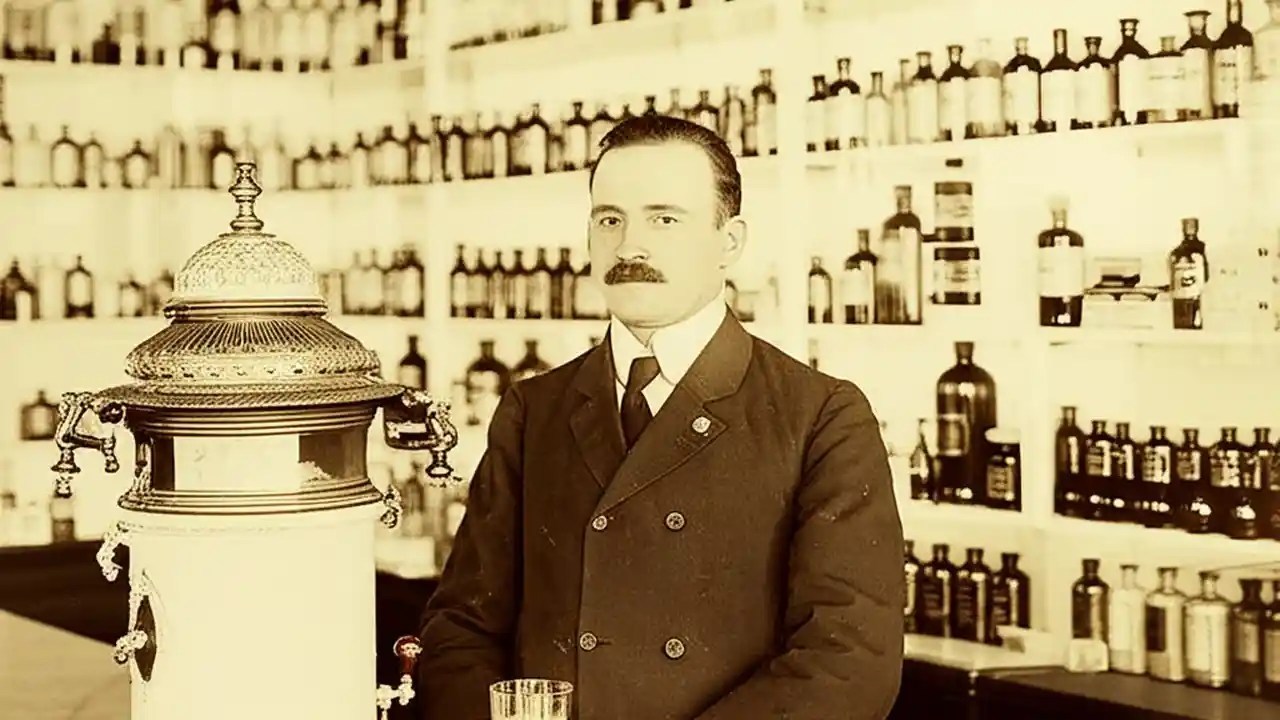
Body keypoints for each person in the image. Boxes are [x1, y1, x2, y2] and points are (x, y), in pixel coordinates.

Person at [417, 115, 904, 720]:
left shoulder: (820, 415)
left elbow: (848, 662)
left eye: (664, 219)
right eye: (610, 220)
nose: (629, 247)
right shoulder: (534, 408)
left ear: (730, 242)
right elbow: (459, 626)